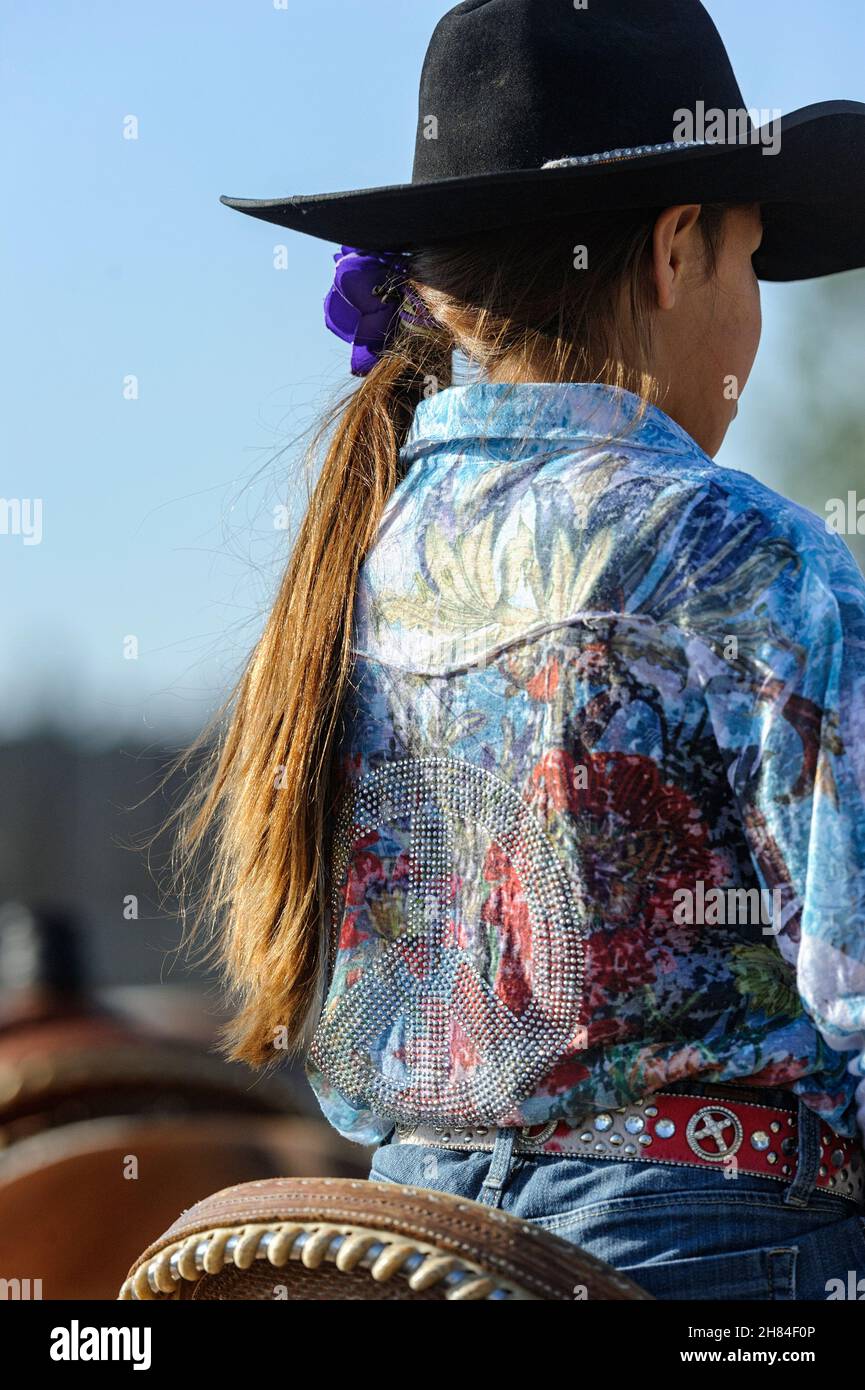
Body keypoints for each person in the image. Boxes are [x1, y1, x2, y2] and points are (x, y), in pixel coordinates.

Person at [185, 0, 865, 1299]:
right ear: (676, 251)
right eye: (747, 264)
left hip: (399, 1241)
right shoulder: (745, 552)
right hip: (721, 1254)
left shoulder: (353, 555)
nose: (750, 323)